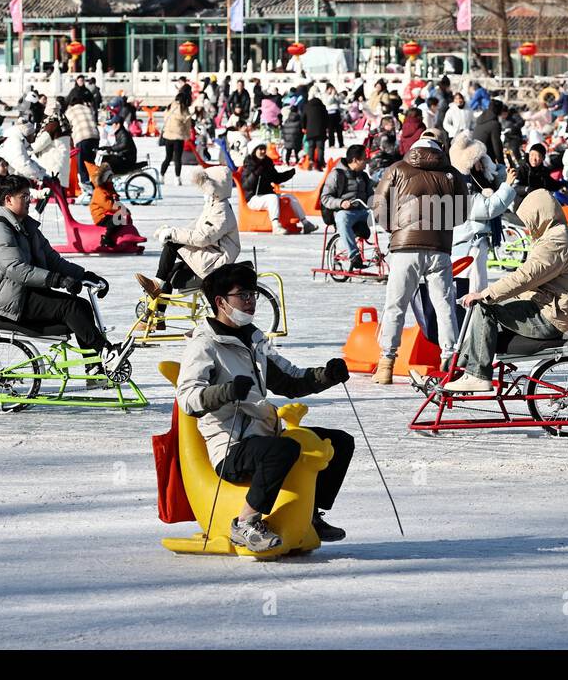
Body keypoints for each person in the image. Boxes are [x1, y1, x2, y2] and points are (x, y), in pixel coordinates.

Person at [175, 262, 354, 552]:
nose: (250, 301)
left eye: (253, 294)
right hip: (231, 447)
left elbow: (290, 380)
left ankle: (310, 514)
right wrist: (226, 392)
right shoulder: (205, 345)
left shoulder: (256, 339)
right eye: (242, 295)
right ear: (221, 302)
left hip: (265, 436)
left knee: (338, 442)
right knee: (284, 449)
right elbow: (188, 399)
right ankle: (244, 524)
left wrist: (327, 375)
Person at [0, 174, 132, 375]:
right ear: (8, 200)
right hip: (5, 299)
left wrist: (85, 275)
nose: (29, 200)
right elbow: (16, 269)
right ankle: (106, 352)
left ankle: (93, 366)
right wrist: (57, 280)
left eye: (28, 195)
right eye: (23, 196)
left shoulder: (27, 228)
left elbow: (52, 260)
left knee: (81, 305)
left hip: (23, 292)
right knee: (70, 307)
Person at [437, 189, 568, 392]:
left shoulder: (556, 242)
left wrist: (485, 294)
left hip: (553, 317)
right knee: (489, 307)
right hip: (550, 308)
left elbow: (525, 277)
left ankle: (476, 375)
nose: (527, 227)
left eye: (528, 221)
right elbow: (529, 283)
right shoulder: (554, 236)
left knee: (485, 309)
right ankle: (456, 371)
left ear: (539, 215)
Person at [371, 136, 466, 384]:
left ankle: (386, 364)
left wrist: (395, 228)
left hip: (405, 247)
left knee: (395, 305)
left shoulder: (397, 169)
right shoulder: (451, 174)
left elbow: (380, 205)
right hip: (439, 248)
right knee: (445, 306)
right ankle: (449, 358)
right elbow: (462, 214)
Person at [138, 165, 240, 301]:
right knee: (169, 271)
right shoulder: (214, 205)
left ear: (215, 187)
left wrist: (173, 234)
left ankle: (156, 284)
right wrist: (170, 229)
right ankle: (159, 316)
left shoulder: (221, 212)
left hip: (217, 260)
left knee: (172, 244)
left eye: (205, 186)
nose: (203, 190)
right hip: (210, 253)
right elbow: (196, 228)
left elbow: (203, 238)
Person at [450, 133, 516, 291]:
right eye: (479, 158)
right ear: (469, 162)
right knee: (472, 292)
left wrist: (495, 169)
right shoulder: (463, 186)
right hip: (469, 244)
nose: (482, 161)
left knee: (473, 289)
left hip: (474, 243)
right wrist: (506, 186)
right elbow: (488, 209)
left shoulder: (477, 180)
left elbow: (493, 185)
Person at [240, 139, 313, 234]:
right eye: (260, 149)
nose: (263, 151)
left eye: (264, 149)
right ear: (254, 150)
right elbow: (246, 186)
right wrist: (255, 173)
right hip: (253, 198)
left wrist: (288, 174)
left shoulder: (267, 162)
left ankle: (305, 223)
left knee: (290, 197)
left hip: (267, 196)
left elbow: (276, 178)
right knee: (272, 197)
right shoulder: (249, 164)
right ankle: (276, 226)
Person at [323, 144, 375, 270]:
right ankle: (354, 255)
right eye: (364, 158)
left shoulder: (364, 176)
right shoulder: (336, 175)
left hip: (363, 211)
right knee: (342, 217)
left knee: (387, 215)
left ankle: (394, 247)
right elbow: (325, 198)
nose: (367, 161)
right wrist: (341, 203)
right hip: (346, 212)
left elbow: (372, 196)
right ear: (355, 160)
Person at [86, 162, 133, 248]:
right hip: (101, 216)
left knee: (124, 219)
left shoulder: (109, 188)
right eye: (109, 178)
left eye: (111, 177)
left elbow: (115, 201)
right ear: (105, 179)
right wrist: (121, 209)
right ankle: (106, 238)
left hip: (108, 214)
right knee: (118, 219)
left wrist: (124, 209)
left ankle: (123, 237)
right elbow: (108, 205)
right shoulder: (100, 191)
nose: (111, 180)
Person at [159, 89, 193, 186]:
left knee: (168, 158)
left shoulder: (170, 107)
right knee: (177, 159)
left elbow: (165, 117)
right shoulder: (183, 109)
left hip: (168, 136)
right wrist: (187, 136)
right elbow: (187, 124)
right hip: (178, 137)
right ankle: (177, 178)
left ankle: (161, 176)